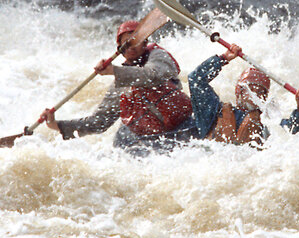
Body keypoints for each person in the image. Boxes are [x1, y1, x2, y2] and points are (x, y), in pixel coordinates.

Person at [40, 19, 196, 154]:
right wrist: (56, 125)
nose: (132, 46)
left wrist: (114, 70)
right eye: (127, 43)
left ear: (145, 42)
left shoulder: (158, 56)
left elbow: (152, 75)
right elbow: (98, 122)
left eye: (137, 40)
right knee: (122, 139)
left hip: (182, 122)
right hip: (151, 136)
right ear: (120, 48)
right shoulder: (119, 85)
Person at [188, 43, 299, 147]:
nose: (255, 94)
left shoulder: (266, 123)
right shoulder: (212, 112)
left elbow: (292, 130)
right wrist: (223, 58)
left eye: (261, 91)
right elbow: (195, 80)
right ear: (239, 90)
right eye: (250, 88)